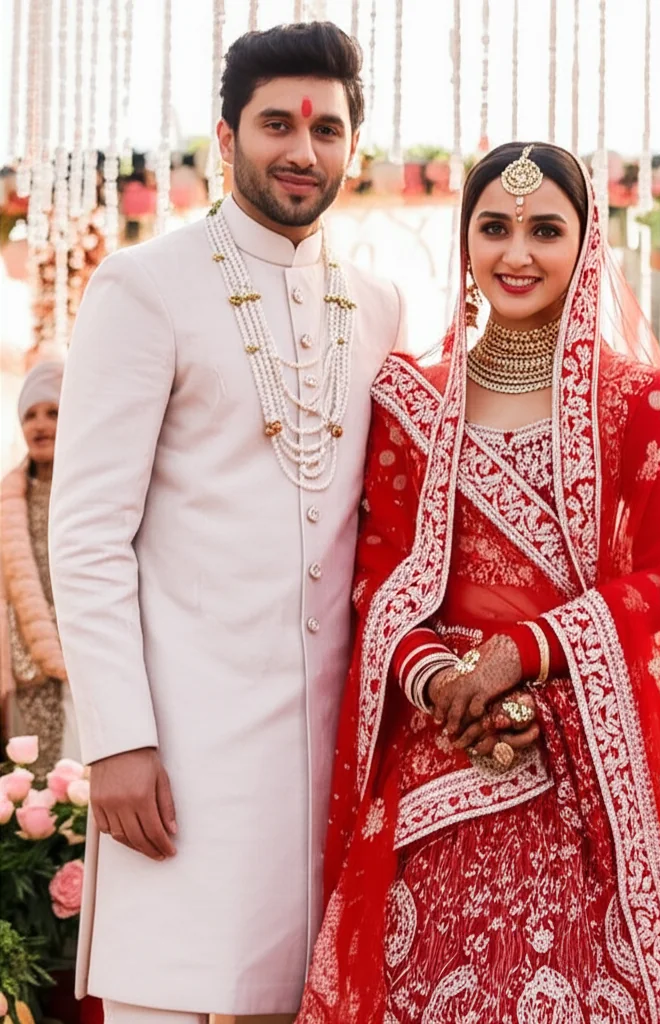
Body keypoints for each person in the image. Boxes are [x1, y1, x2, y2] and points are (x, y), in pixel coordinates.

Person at [295, 144, 660, 1023]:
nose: (516, 253)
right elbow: (380, 580)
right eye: (493, 228)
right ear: (465, 244)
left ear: (587, 243)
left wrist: (523, 653)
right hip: (445, 740)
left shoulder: (636, 400)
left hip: (594, 752)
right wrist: (449, 681)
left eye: (545, 229)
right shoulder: (409, 399)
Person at [49, 22, 405, 1024]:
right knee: (170, 996)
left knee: (313, 1002)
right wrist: (117, 739)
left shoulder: (377, 306)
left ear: (351, 145)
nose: (302, 149)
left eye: (326, 127)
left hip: (330, 755)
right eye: (277, 123)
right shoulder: (143, 285)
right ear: (227, 134)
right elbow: (85, 534)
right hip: (182, 751)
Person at [1, 362, 80, 776]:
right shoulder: (7, 499)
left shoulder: (89, 490)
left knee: (85, 784)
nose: (40, 424)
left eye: (52, 411)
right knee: (37, 786)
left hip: (85, 654)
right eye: (30, 415)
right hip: (28, 669)